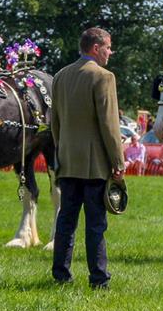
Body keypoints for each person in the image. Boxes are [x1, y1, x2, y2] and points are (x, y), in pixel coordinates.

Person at [50, 27, 125, 288]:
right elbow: (110, 125)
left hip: (67, 161)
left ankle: (61, 274)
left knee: (65, 221)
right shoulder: (104, 77)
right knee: (95, 225)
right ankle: (99, 278)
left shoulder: (60, 76)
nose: (110, 52)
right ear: (96, 48)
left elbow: (55, 122)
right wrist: (118, 162)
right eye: (108, 47)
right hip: (95, 165)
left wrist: (61, 151)